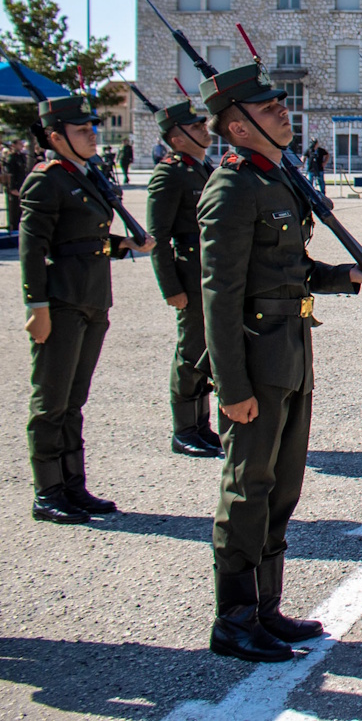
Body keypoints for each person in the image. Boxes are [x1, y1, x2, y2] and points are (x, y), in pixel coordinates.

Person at [197, 63, 362, 662]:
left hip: (291, 346)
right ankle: (233, 619)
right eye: (268, 106)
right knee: (247, 485)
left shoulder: (277, 181)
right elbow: (218, 296)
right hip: (255, 355)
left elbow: (293, 270)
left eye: (281, 103)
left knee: (282, 484)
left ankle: (267, 608)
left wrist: (345, 276)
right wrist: (230, 385)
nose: (282, 110)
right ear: (238, 126)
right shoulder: (231, 189)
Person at [19, 95, 155, 524]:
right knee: (51, 401)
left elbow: (86, 238)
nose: (92, 135)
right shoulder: (46, 180)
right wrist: (36, 305)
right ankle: (48, 492)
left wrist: (125, 246)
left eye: (92, 128)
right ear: (56, 137)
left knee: (74, 400)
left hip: (93, 297)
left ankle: (73, 486)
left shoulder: (85, 176)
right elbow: (33, 248)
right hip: (60, 302)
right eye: (82, 130)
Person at [146, 98, 223, 458]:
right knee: (190, 350)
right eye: (193, 128)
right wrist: (170, 287)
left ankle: (202, 425)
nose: (202, 129)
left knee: (208, 349)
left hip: (210, 268)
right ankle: (184, 429)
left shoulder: (201, 168)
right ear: (176, 138)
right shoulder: (169, 173)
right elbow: (158, 237)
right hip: (189, 271)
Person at [4, 140, 30, 231]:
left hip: (22, 184)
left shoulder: (22, 156)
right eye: (19, 144)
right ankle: (14, 226)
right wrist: (12, 187)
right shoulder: (11, 158)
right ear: (14, 145)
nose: (21, 146)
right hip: (15, 186)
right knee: (15, 209)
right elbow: (10, 173)